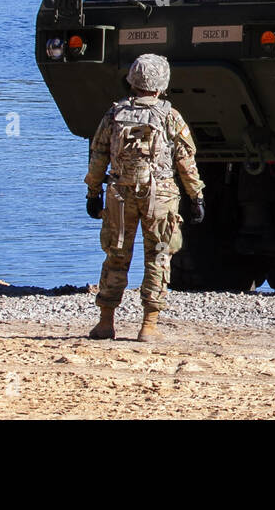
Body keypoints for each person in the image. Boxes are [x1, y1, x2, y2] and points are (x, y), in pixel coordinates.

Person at [84, 54, 205, 342]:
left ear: (132, 81)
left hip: (120, 194)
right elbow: (185, 161)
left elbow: (98, 154)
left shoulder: (114, 114)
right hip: (160, 196)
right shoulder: (170, 116)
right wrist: (195, 195)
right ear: (162, 84)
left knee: (116, 255)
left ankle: (105, 323)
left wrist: (92, 192)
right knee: (159, 257)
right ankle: (148, 325)